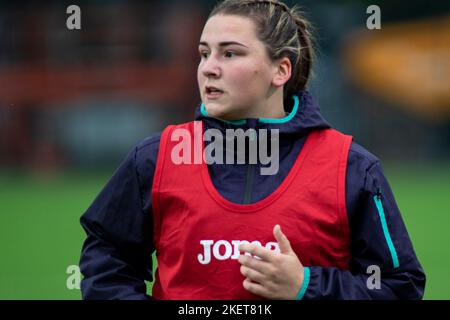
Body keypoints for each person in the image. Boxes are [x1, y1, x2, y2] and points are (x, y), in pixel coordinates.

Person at [79, 0, 426, 300]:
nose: (209, 68)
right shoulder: (156, 159)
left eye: (230, 53)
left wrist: (306, 285)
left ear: (281, 70)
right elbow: (107, 261)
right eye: (204, 53)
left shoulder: (351, 169)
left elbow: (400, 287)